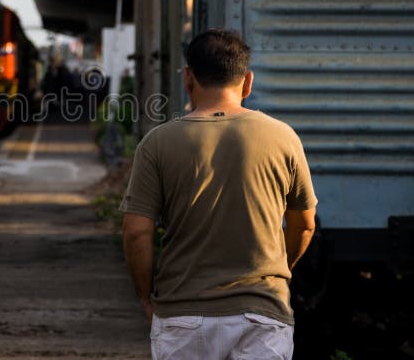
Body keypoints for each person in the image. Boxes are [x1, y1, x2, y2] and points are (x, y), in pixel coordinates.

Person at [120, 29, 317, 360]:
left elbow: (136, 232)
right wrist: (276, 271)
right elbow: (305, 225)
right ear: (248, 82)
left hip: (183, 315)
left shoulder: (157, 143)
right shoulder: (283, 138)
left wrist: (145, 297)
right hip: (261, 315)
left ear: (188, 78)